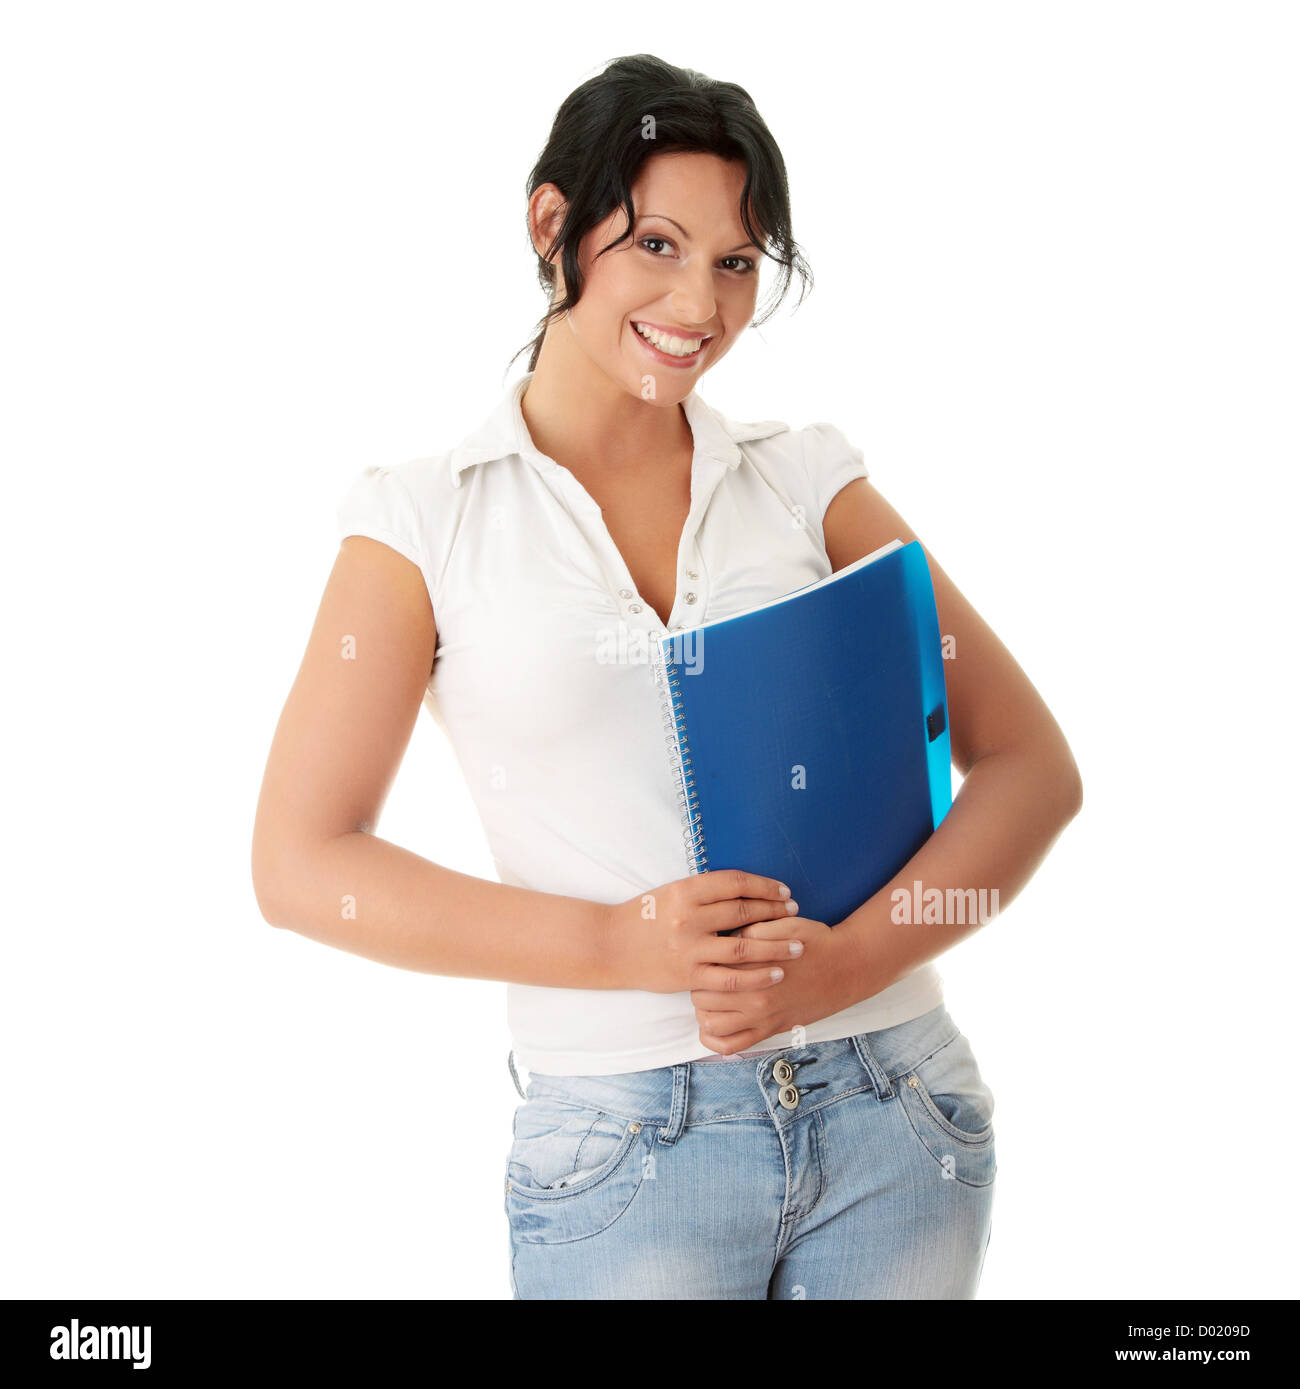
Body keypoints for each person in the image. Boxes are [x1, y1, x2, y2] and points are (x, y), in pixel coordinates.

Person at [251, 53, 1082, 1299]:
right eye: (655, 243)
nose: (699, 301)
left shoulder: (808, 483)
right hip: (624, 1142)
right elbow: (302, 866)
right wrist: (612, 942)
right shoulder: (419, 523)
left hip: (894, 1109)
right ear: (552, 224)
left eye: (737, 262)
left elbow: (1029, 768)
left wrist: (846, 965)